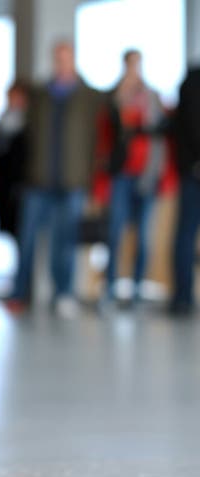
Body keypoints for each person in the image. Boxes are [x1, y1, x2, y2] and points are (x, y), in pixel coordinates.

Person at [6, 41, 105, 317]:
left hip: (72, 180)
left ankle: (63, 293)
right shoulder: (39, 96)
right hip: (39, 179)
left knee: (65, 241)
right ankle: (18, 293)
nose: (62, 63)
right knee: (26, 239)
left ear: (73, 59)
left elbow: (99, 139)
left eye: (66, 58)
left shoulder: (89, 97)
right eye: (57, 57)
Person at [98, 50, 170, 308]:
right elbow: (110, 130)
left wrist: (159, 173)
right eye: (130, 64)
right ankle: (110, 289)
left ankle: (138, 290)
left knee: (143, 235)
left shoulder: (152, 97)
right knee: (115, 232)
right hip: (122, 174)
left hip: (147, 174)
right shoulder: (116, 97)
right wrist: (122, 94)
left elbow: (162, 135)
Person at [171, 67, 200, 315]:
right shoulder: (192, 82)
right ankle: (182, 297)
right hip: (193, 171)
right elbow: (191, 124)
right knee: (186, 236)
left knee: (185, 235)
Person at [0, 81, 30, 239]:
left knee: (22, 227)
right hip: (3, 181)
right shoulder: (2, 120)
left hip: (20, 183)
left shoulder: (29, 122)